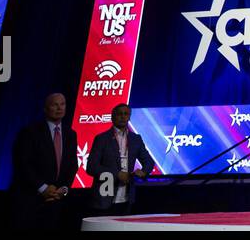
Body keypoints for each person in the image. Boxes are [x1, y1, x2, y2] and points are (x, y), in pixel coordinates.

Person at [11, 92, 79, 230]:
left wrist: (64, 189)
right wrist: (43, 188)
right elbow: (22, 163)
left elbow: (72, 165)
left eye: (62, 104)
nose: (59, 108)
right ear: (45, 109)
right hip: (30, 199)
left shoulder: (71, 134)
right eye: (55, 105)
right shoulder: (30, 131)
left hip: (57, 200)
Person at [85, 103, 155, 217]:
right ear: (112, 117)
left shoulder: (136, 139)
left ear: (129, 117)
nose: (123, 116)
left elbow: (149, 161)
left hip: (127, 200)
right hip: (104, 199)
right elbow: (92, 167)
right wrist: (117, 174)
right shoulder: (101, 139)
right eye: (119, 114)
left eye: (126, 114)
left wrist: (143, 171)